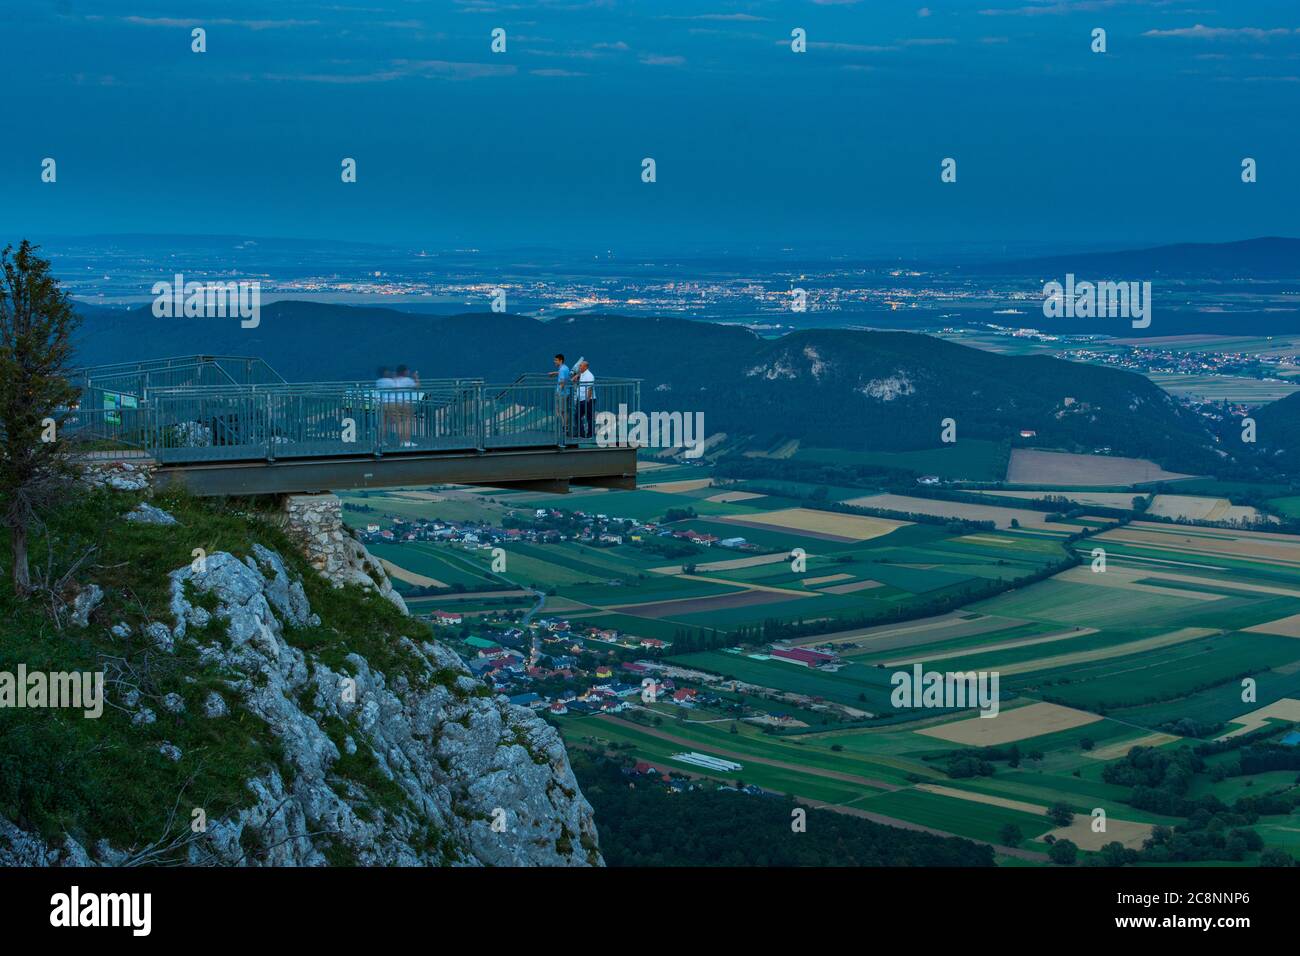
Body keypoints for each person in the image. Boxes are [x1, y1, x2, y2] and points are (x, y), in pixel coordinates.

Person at [393, 364, 421, 447]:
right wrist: (416, 377)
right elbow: (418, 386)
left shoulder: (394, 380)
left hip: (396, 402)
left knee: (400, 423)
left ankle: (402, 441)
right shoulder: (408, 380)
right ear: (404, 372)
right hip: (406, 403)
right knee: (407, 422)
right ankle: (407, 441)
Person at [547, 352, 572, 437]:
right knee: (564, 411)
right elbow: (565, 375)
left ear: (560, 360)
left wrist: (558, 392)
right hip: (566, 392)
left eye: (556, 360)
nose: (554, 362)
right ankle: (565, 427)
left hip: (562, 393)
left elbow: (562, 382)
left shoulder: (561, 370)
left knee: (560, 411)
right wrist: (555, 373)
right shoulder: (565, 368)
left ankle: (564, 427)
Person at [375, 366, 398, 442]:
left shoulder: (378, 381)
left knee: (383, 423)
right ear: (384, 373)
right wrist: (394, 378)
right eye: (387, 371)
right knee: (396, 421)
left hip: (381, 403)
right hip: (389, 403)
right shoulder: (389, 381)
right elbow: (397, 387)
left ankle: (380, 440)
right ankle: (403, 440)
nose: (389, 373)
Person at [575, 358, 595, 439]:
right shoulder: (582, 374)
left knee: (589, 417)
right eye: (579, 365)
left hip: (588, 400)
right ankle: (581, 433)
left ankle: (590, 434)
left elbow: (589, 388)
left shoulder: (589, 375)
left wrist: (587, 400)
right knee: (577, 416)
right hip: (581, 399)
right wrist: (576, 376)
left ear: (585, 367)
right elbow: (574, 380)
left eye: (581, 366)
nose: (579, 367)